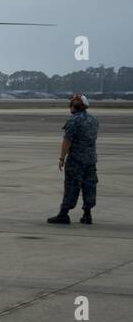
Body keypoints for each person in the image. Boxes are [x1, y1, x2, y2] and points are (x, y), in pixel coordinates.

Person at [48, 94, 98, 225]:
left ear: (75, 106)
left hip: (76, 160)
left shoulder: (74, 120)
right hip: (91, 160)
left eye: (72, 104)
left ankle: (63, 214)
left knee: (71, 186)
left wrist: (61, 158)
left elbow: (67, 140)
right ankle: (87, 215)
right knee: (89, 186)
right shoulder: (93, 119)